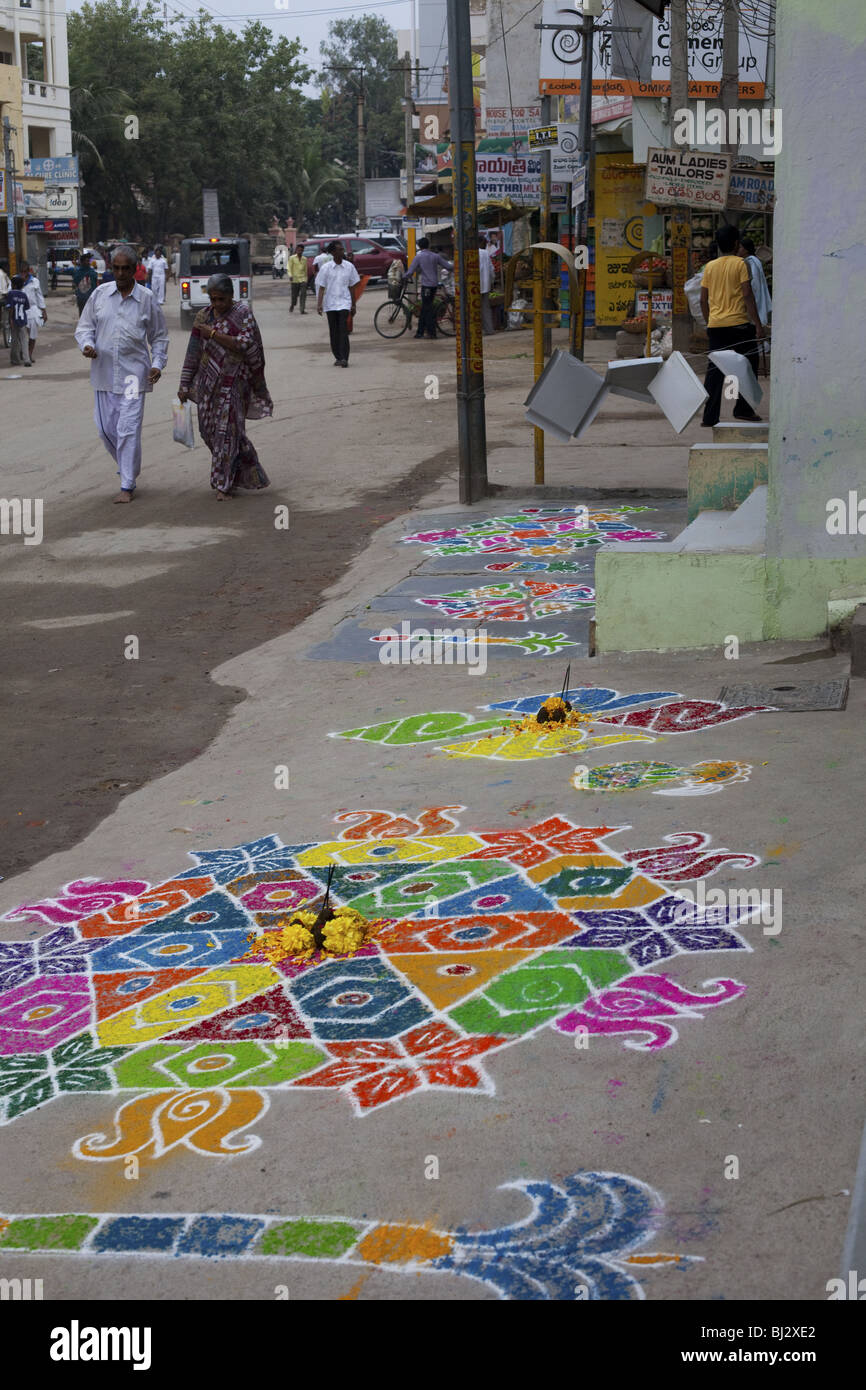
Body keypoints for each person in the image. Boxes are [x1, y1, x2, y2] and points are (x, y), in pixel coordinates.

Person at [74, 242, 168, 503]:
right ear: (111, 268)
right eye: (116, 268)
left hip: (133, 375)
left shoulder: (146, 299)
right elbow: (84, 329)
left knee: (127, 429)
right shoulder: (99, 295)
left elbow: (159, 336)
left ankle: (127, 483)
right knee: (106, 430)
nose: (121, 273)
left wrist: (158, 363)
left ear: (135, 269)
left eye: (126, 268)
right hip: (103, 373)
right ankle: (129, 465)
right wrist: (87, 345)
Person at [177, 272, 272, 499]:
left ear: (231, 296)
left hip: (235, 383)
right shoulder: (203, 317)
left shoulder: (243, 315)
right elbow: (193, 352)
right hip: (208, 385)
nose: (217, 304)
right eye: (213, 299)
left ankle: (223, 484)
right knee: (208, 431)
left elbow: (245, 344)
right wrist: (184, 383)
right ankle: (246, 469)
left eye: (221, 299)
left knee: (227, 434)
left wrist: (214, 334)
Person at [699, 224, 765, 428]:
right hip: (739, 325)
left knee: (715, 372)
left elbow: (703, 299)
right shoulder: (741, 264)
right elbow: (747, 294)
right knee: (747, 365)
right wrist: (757, 324)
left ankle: (709, 417)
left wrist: (709, 321)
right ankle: (743, 409)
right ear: (736, 243)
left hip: (716, 325)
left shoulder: (710, 267)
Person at [315, 241, 359, 368]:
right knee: (333, 331)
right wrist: (319, 304)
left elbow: (352, 286)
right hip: (330, 304)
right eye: (339, 250)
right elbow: (321, 287)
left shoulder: (349, 267)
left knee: (343, 330)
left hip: (344, 303)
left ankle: (345, 357)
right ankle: (338, 356)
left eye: (342, 249)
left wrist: (354, 304)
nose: (342, 252)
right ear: (333, 252)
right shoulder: (326, 268)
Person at [403, 236, 453, 340]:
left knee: (427, 309)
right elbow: (448, 266)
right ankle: (420, 332)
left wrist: (403, 276)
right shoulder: (435, 256)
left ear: (420, 246)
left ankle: (431, 332)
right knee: (425, 309)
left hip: (426, 286)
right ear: (428, 245)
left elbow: (411, 271)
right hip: (434, 285)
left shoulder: (419, 257)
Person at [739, 236, 772, 327]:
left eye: (741, 247)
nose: (739, 249)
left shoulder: (751, 262)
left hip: (753, 297)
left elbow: (754, 283)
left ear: (746, 250)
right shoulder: (751, 261)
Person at [20, 263, 47, 362]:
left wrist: (44, 311)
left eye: (25, 271)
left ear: (28, 271)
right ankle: (23, 352)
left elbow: (39, 296)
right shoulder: (16, 280)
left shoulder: (35, 281)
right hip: (20, 310)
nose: (23, 274)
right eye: (21, 272)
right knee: (21, 333)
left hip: (33, 309)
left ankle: (29, 354)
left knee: (32, 334)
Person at [7, 275, 31, 367]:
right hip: (23, 320)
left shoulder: (11, 294)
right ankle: (27, 359)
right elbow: (26, 307)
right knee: (24, 340)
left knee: (14, 340)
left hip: (14, 320)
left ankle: (15, 359)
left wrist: (10, 319)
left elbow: (11, 308)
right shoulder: (24, 295)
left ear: (14, 285)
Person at [478, 235, 496, 336]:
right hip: (485, 285)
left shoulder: (467, 253)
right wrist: (492, 281)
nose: (485, 245)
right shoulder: (485, 253)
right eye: (484, 243)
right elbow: (491, 269)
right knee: (485, 308)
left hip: (473, 286)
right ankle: (489, 330)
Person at [73, 252, 99, 317]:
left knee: (91, 317)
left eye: (89, 261)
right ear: (82, 262)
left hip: (91, 299)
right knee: (82, 316)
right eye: (87, 261)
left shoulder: (92, 272)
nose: (88, 262)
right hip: (81, 298)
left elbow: (96, 285)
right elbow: (76, 282)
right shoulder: (77, 272)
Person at [288, 243, 308, 312]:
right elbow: (289, 268)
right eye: (299, 250)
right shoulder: (292, 258)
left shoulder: (304, 259)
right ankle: (293, 304)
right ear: (296, 250)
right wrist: (290, 275)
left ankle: (302, 309)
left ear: (303, 251)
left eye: (301, 250)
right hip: (294, 280)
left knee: (303, 294)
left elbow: (305, 270)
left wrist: (306, 279)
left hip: (303, 279)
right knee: (294, 296)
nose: (300, 252)